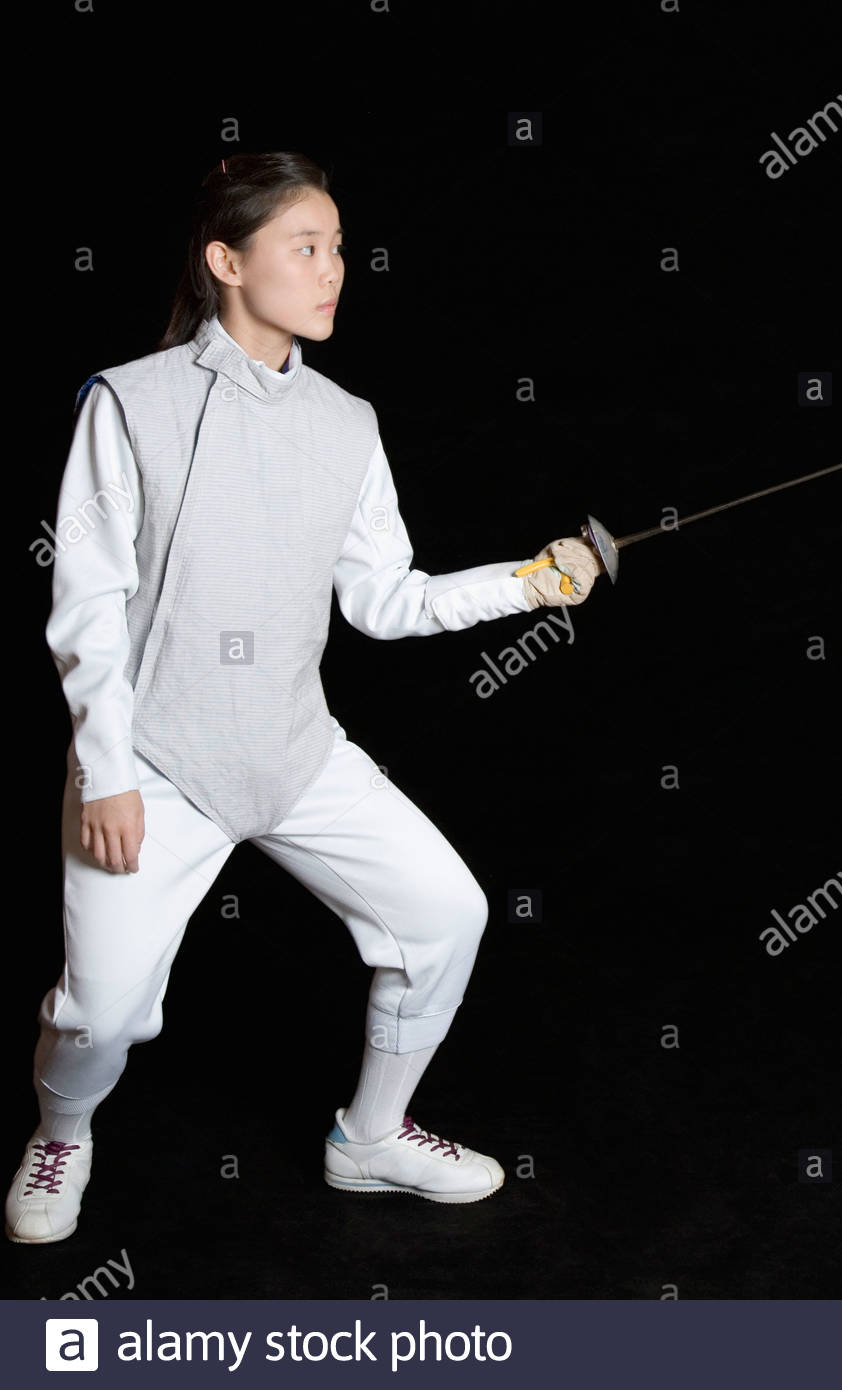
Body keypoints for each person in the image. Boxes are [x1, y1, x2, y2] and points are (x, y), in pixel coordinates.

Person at [6, 151, 602, 1244]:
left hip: (293, 749)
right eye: (306, 247)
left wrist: (530, 584)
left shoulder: (347, 421)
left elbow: (385, 599)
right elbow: (86, 600)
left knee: (445, 914)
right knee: (101, 1013)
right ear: (225, 261)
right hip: (158, 765)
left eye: (335, 246)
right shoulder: (129, 403)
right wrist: (106, 769)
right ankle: (61, 1128)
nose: (334, 269)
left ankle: (370, 1137)